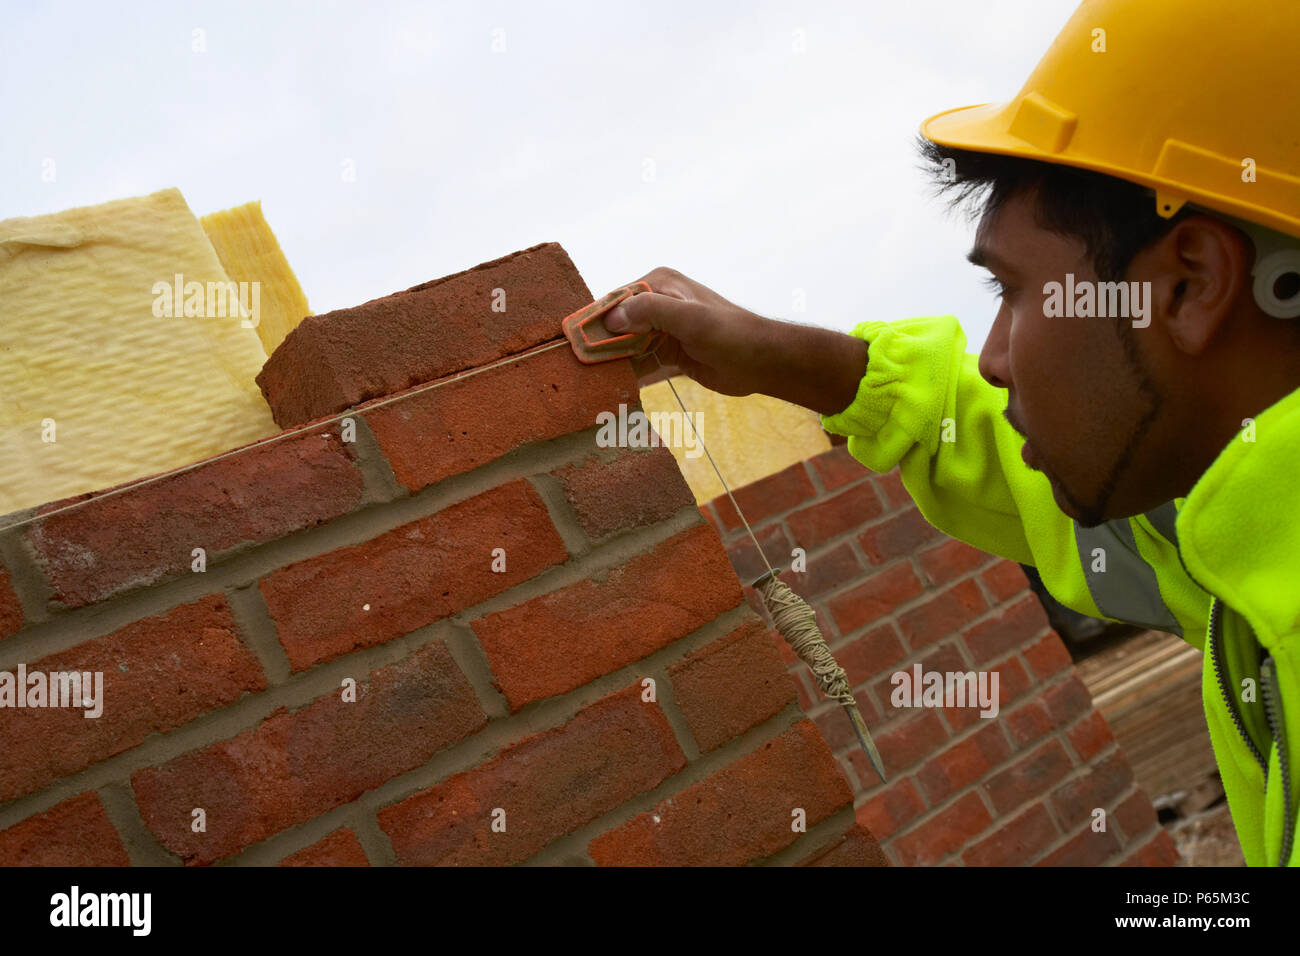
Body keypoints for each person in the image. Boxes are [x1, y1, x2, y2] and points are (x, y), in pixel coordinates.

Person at [602, 0, 1300, 867]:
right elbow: (1050, 482)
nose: (996, 357)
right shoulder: (1246, 537)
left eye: (1009, 291)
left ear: (1192, 283)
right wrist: (809, 366)